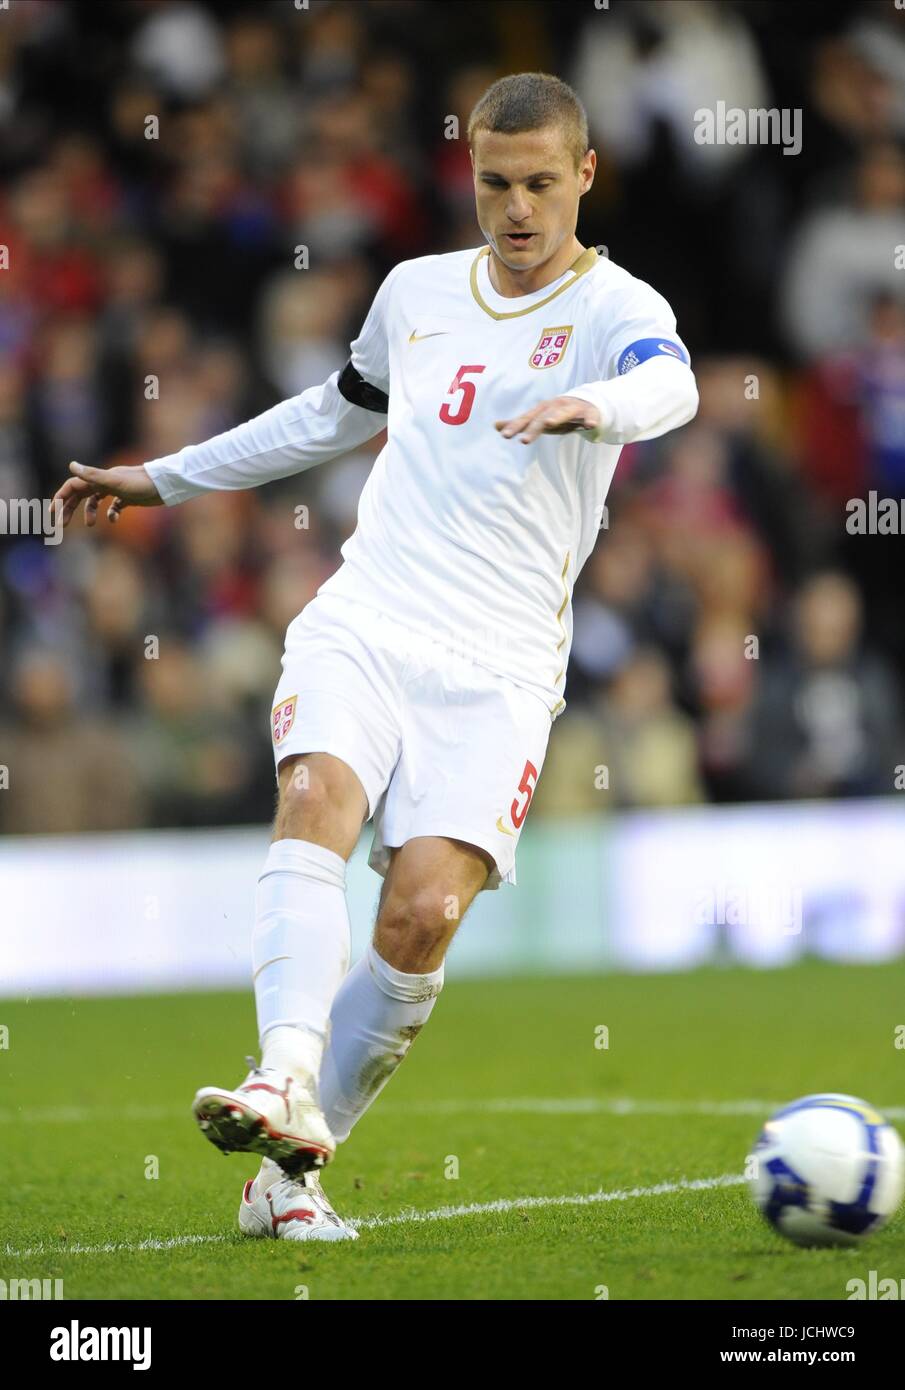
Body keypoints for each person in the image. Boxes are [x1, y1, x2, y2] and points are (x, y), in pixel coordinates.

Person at [53, 72, 698, 1241]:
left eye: (540, 184)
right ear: (469, 175)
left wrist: (591, 409)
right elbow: (327, 414)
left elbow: (673, 381)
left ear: (583, 175)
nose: (515, 209)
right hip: (371, 613)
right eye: (495, 184)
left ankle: (287, 1174)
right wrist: (161, 476)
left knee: (421, 915)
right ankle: (278, 1074)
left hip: (502, 666)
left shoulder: (614, 307)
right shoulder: (412, 293)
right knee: (315, 798)